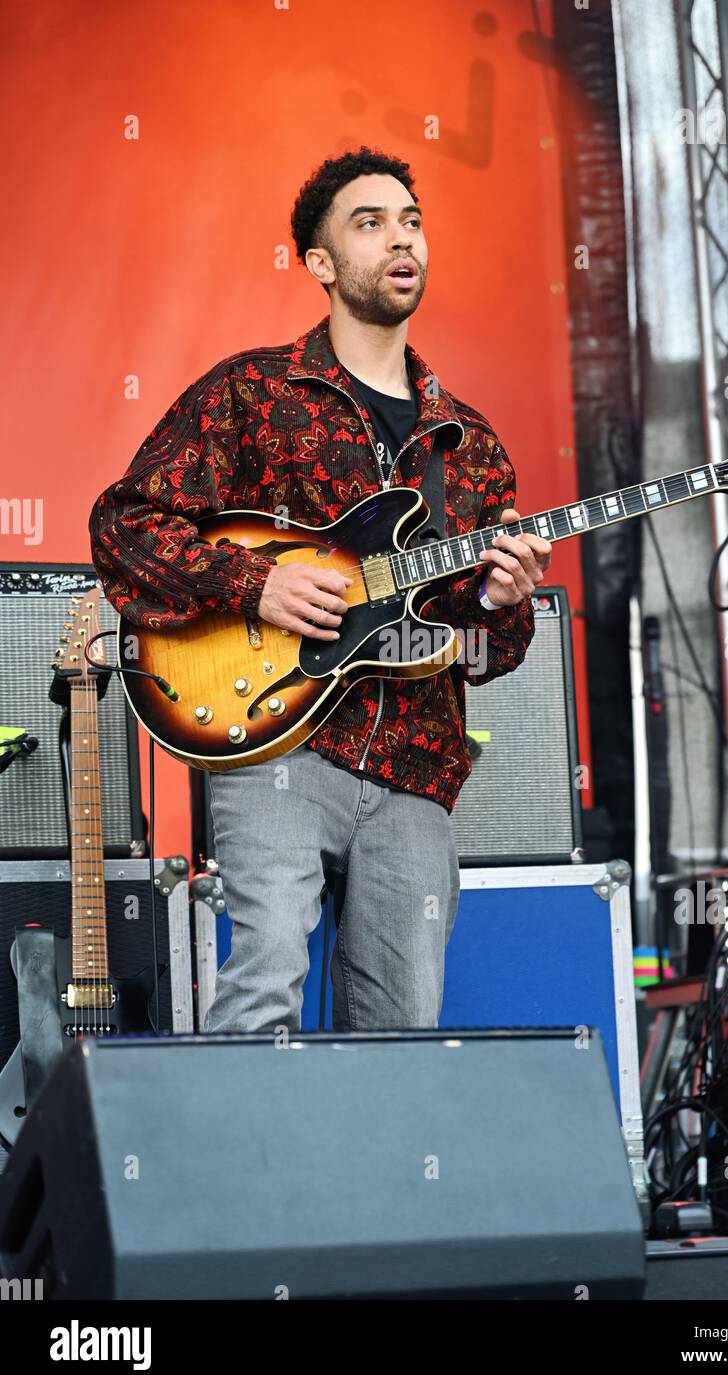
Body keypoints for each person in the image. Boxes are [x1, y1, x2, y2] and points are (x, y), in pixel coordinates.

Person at [90, 146, 551, 1034]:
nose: (400, 239)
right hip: (274, 745)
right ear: (322, 264)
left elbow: (488, 651)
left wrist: (500, 602)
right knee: (263, 989)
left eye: (411, 221)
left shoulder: (473, 446)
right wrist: (256, 583)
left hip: (416, 767)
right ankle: (249, 1177)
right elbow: (125, 523)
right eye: (370, 223)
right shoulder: (254, 392)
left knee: (406, 1026)